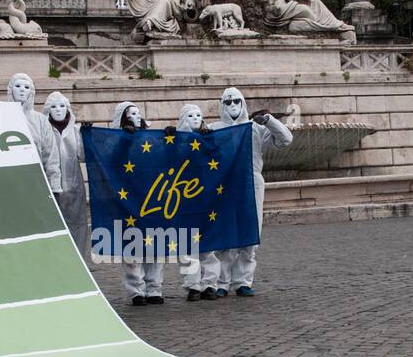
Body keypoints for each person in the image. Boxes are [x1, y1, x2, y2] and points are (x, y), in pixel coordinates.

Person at [213, 86, 292, 296]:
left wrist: (269, 120)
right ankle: (221, 282)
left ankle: (243, 281)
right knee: (227, 233)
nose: (233, 106)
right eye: (228, 102)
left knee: (250, 233)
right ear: (222, 105)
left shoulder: (255, 128)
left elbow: (285, 139)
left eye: (236, 101)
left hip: (252, 182)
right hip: (225, 185)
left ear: (243, 103)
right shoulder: (214, 129)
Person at [111, 101, 163, 305]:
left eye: (138, 112)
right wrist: (125, 139)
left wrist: (170, 138)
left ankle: (154, 288)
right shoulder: (114, 138)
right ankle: (136, 290)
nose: (136, 116)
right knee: (131, 245)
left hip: (151, 196)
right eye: (131, 113)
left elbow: (161, 156)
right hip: (126, 196)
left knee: (154, 243)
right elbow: (112, 159)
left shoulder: (150, 137)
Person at [169, 104, 219, 302]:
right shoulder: (175, 142)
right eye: (191, 116)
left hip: (205, 197)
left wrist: (210, 140)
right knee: (187, 243)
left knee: (208, 244)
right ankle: (192, 285)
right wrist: (170, 140)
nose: (196, 118)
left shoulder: (209, 139)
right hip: (183, 197)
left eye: (199, 115)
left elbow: (219, 158)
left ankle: (210, 284)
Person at [44, 91, 89, 259]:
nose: (58, 110)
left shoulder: (75, 131)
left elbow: (84, 156)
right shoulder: (45, 130)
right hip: (50, 188)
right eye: (54, 106)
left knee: (78, 225)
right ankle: (57, 260)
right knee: (54, 226)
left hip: (74, 186)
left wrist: (88, 137)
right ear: (48, 109)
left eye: (62, 106)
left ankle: (79, 261)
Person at [6, 73, 62, 194]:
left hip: (37, 183)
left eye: (26, 87)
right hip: (8, 183)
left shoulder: (40, 120)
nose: (22, 90)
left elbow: (51, 154)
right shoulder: (0, 118)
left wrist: (54, 186)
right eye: (18, 86)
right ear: (10, 89)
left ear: (31, 92)